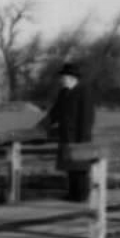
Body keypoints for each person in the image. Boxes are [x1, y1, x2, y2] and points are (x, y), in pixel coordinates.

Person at [40, 62, 95, 202]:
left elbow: (87, 118)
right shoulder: (63, 92)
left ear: (71, 77)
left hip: (79, 137)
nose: (61, 79)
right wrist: (40, 127)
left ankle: (82, 196)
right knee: (70, 167)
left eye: (63, 77)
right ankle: (73, 194)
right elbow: (55, 113)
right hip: (65, 135)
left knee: (80, 168)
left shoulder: (85, 92)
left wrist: (82, 142)